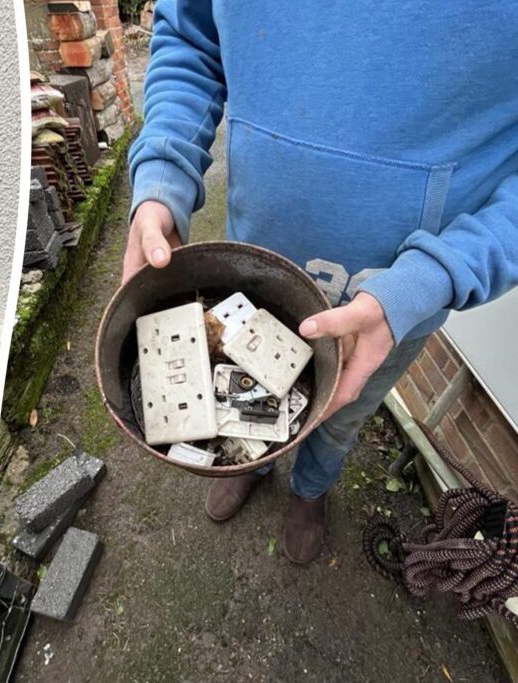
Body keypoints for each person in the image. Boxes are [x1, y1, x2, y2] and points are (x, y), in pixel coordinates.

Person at [125, 2, 518, 564]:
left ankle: (311, 488)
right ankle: (250, 460)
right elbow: (191, 38)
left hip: (390, 310)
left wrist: (438, 274)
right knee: (240, 386)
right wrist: (163, 174)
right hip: (252, 273)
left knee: (339, 419)